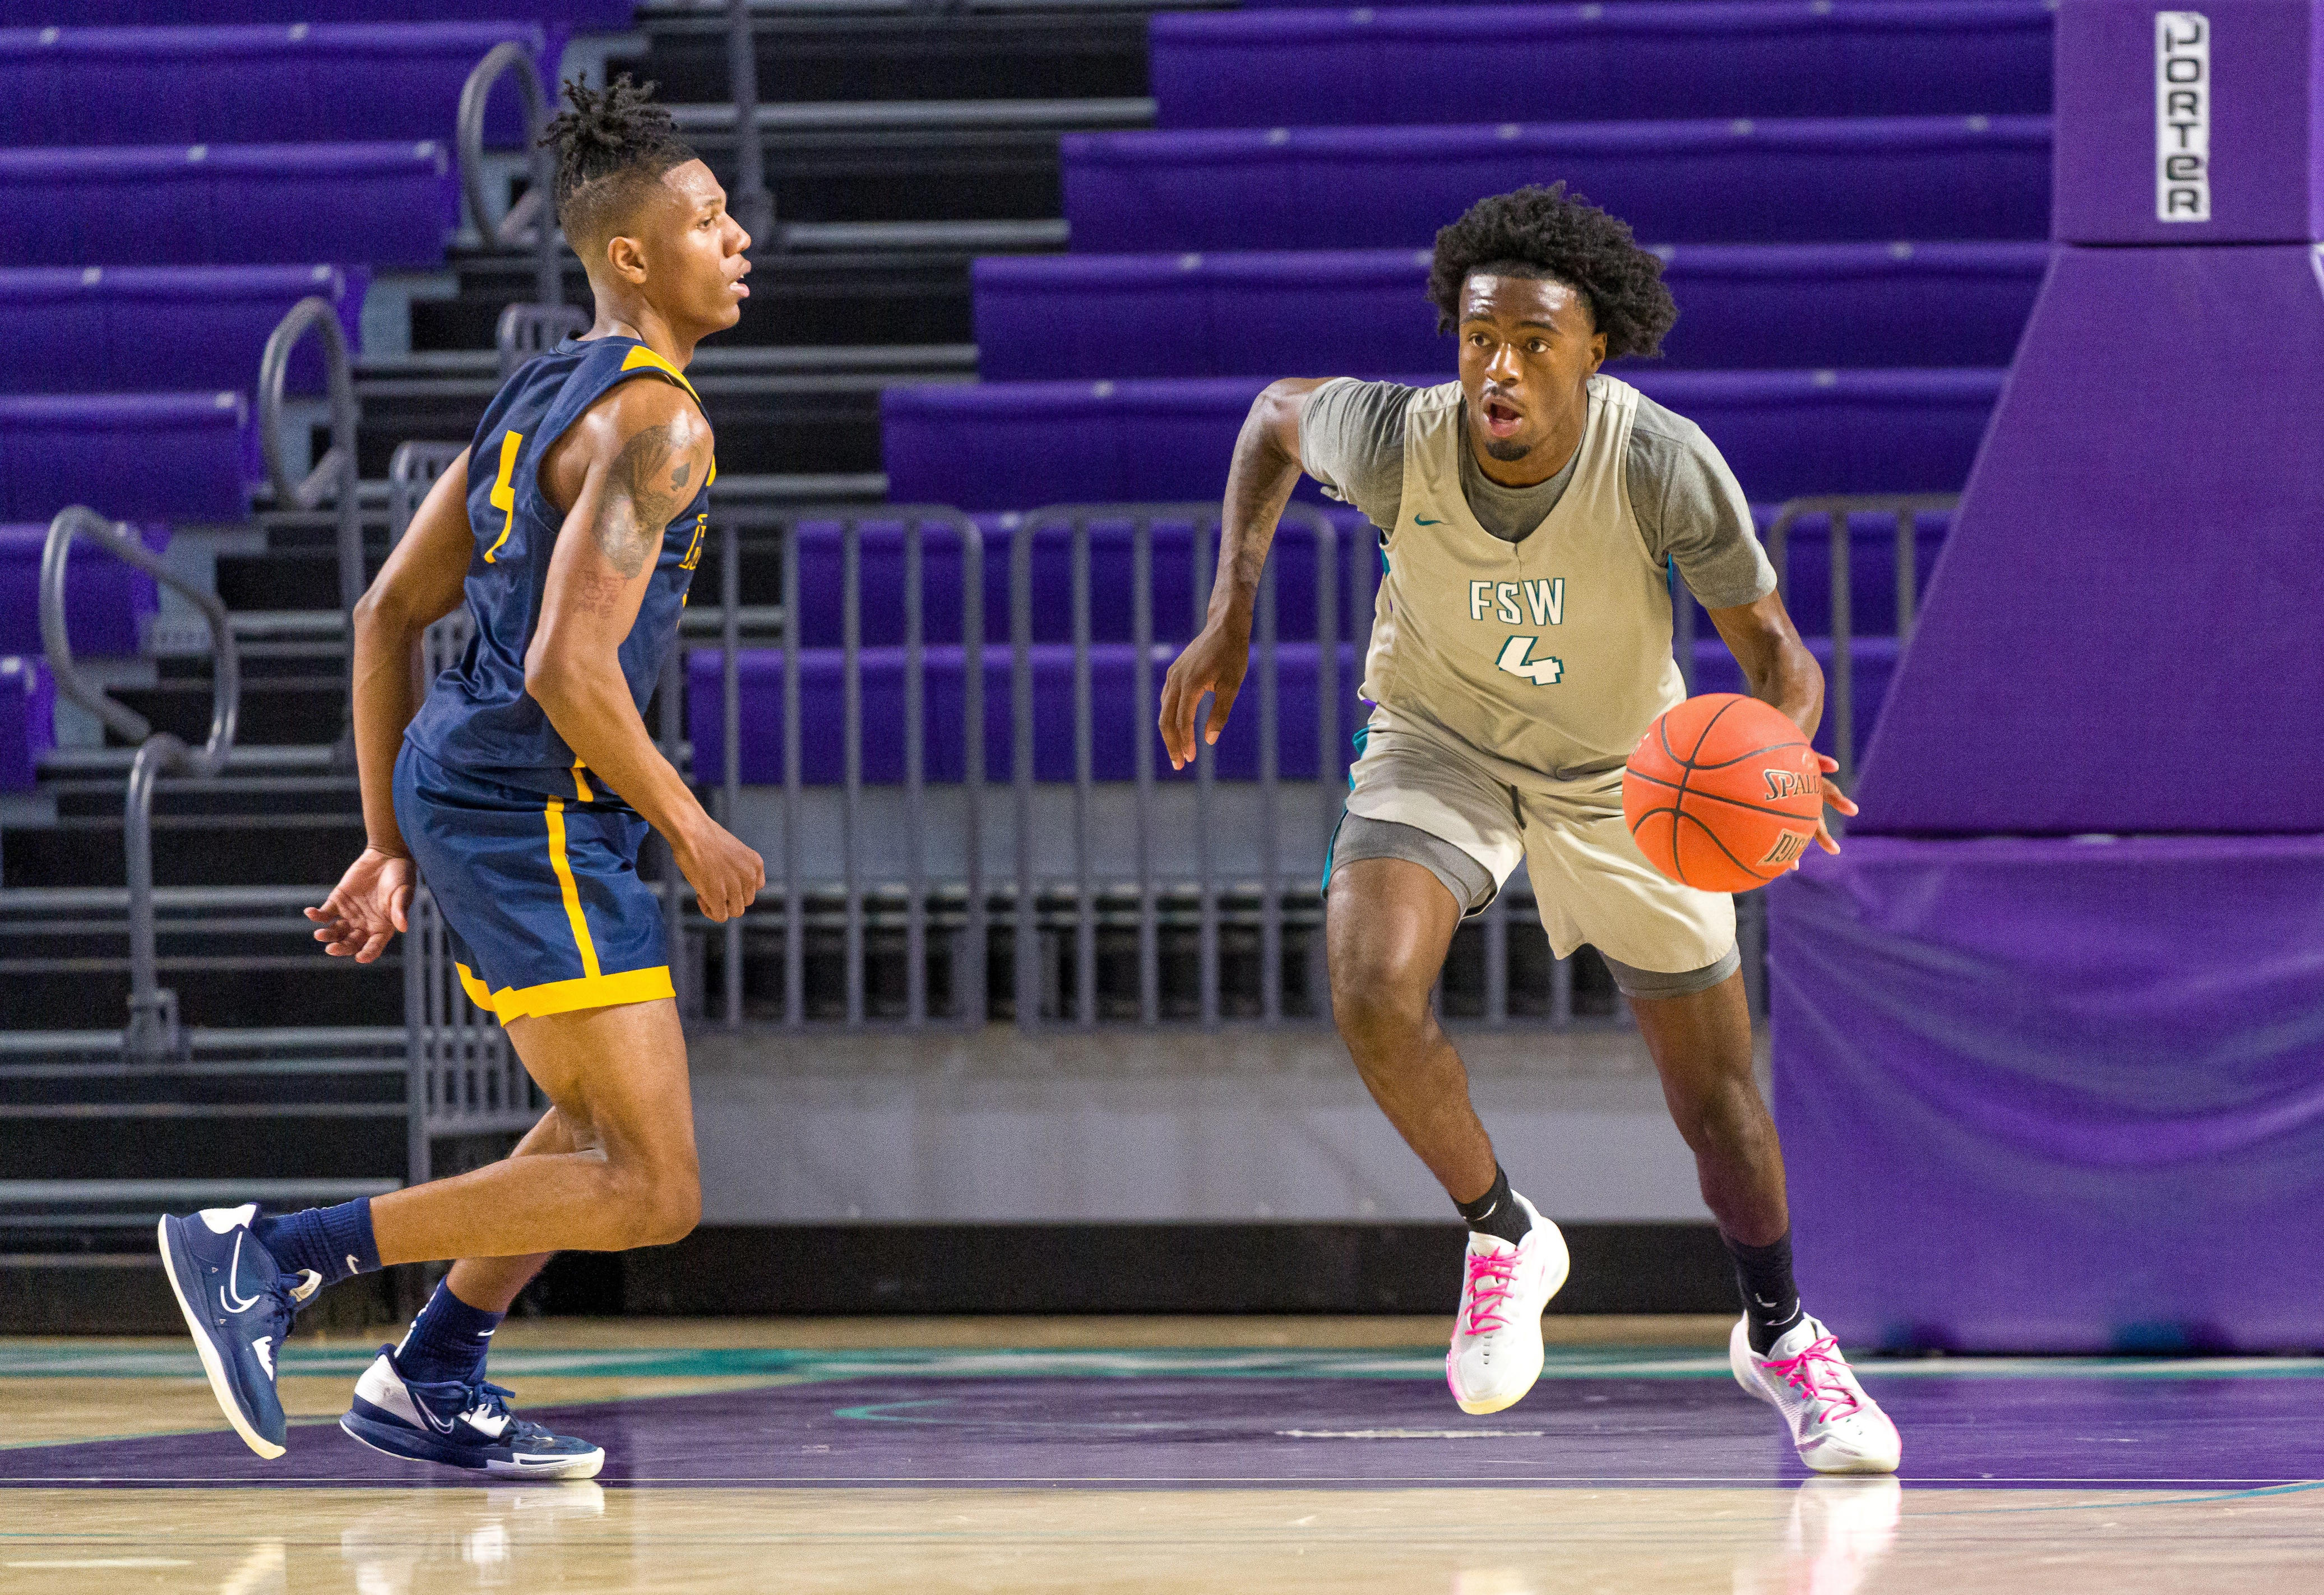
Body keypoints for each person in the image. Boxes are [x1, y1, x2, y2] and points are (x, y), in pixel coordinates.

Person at [1158, 184, 1898, 1474]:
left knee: (1719, 1104)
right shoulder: (1396, 436)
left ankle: (1782, 1335)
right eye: (1477, 337)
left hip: (1634, 775)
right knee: (1371, 983)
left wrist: (1774, 753)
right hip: (1440, 736)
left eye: (1533, 343)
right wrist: (1232, 612)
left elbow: (1778, 655)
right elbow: (1272, 419)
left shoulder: (1662, 459)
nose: (1498, 367)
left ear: (1592, 350)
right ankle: (1504, 1231)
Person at [155, 76, 763, 1477]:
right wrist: (692, 825)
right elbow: (565, 667)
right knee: (655, 1185)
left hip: (472, 790)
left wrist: (387, 839)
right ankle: (274, 1254)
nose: (737, 239)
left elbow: (384, 615)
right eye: (709, 217)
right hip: (531, 802)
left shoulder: (536, 391)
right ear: (631, 256)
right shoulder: (662, 423)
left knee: (595, 1124)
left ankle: (431, 1367)